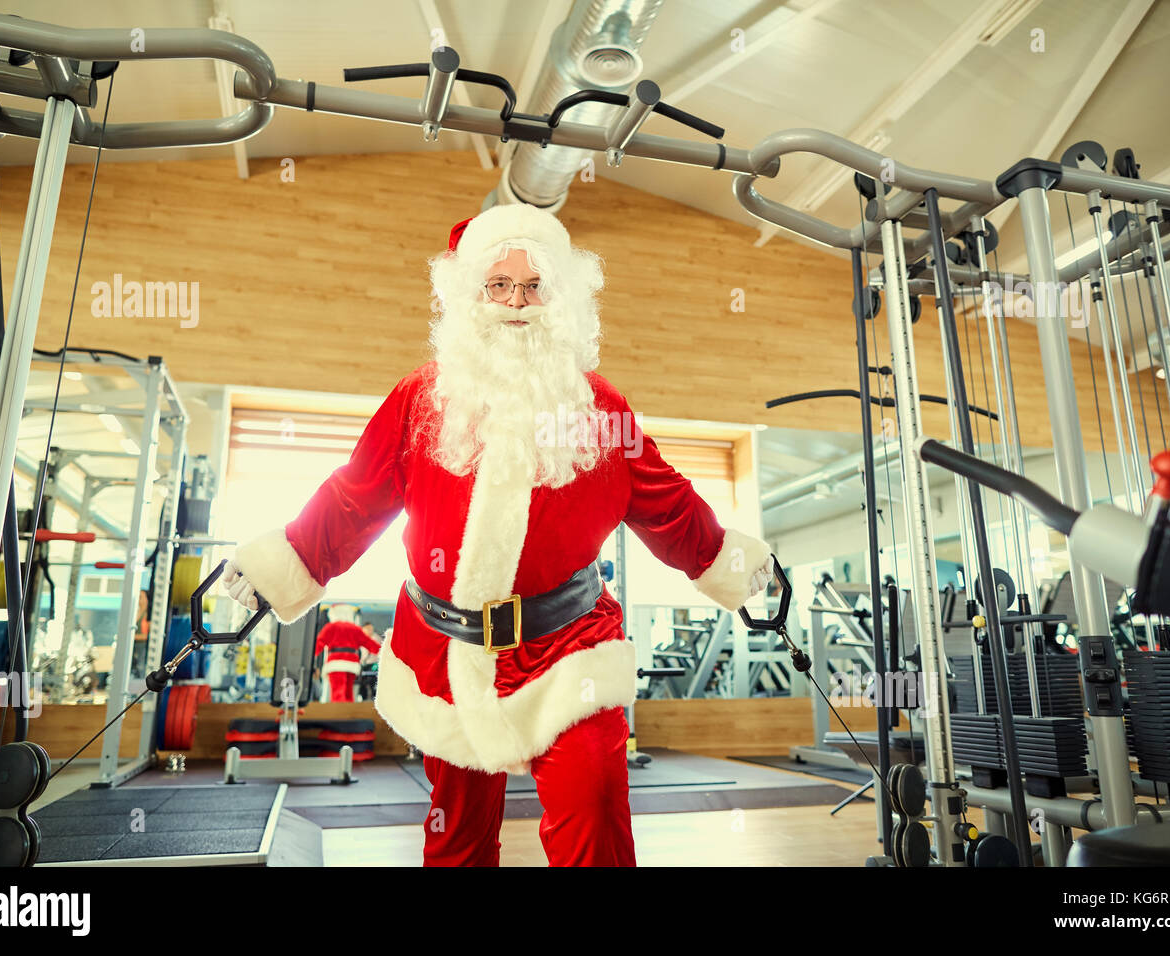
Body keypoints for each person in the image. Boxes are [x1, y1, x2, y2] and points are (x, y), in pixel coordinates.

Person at [222, 203, 774, 867]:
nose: (517, 303)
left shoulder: (602, 410)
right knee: (456, 841)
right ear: (470, 297)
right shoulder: (417, 399)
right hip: (443, 653)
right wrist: (267, 573)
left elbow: (669, 505)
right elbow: (352, 500)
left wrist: (741, 568)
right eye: (499, 286)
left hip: (569, 651)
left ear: (562, 300)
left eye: (535, 286)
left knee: (594, 819)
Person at [313, 604, 381, 702]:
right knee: (349, 693)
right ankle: (349, 715)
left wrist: (310, 659)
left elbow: (319, 644)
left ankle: (339, 716)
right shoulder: (355, 628)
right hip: (352, 664)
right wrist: (386, 653)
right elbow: (370, 644)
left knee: (338, 693)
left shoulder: (330, 627)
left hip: (335, 663)